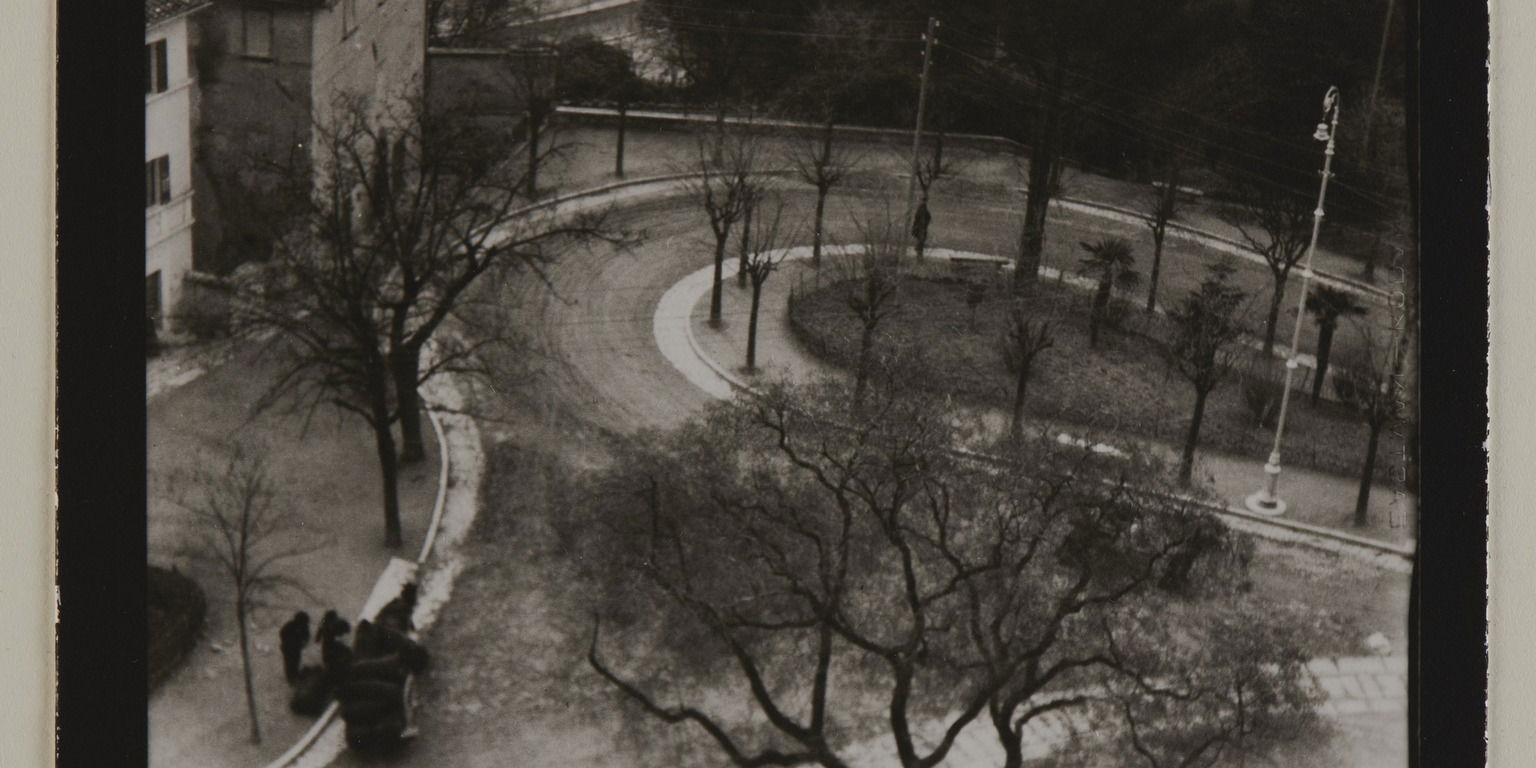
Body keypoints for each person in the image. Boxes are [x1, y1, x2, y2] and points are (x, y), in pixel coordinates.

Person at [278, 611, 311, 683]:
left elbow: (307, 637)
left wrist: (302, 643)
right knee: (290, 664)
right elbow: (282, 633)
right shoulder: (291, 625)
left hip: (295, 648)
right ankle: (291, 679)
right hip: (289, 648)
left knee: (295, 663)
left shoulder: (303, 627)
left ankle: (293, 678)